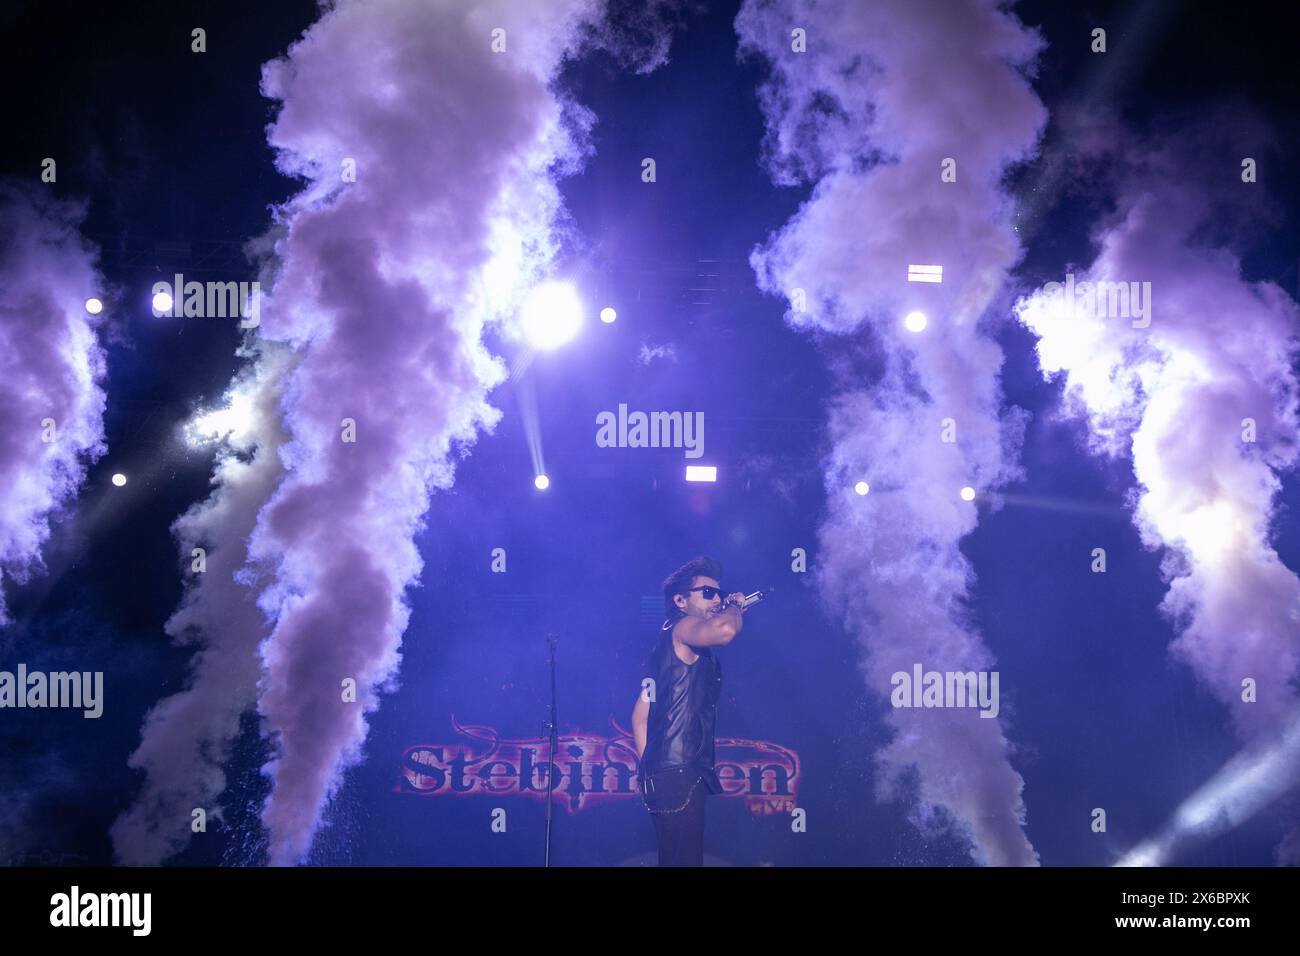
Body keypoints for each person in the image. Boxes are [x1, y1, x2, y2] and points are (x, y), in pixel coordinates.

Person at [630, 556, 745, 866]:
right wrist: (736, 606)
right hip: (679, 772)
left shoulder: (664, 643)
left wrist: (648, 772)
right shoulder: (683, 628)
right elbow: (725, 631)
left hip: (666, 774)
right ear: (680, 600)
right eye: (708, 593)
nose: (717, 599)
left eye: (720, 594)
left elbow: (640, 716)